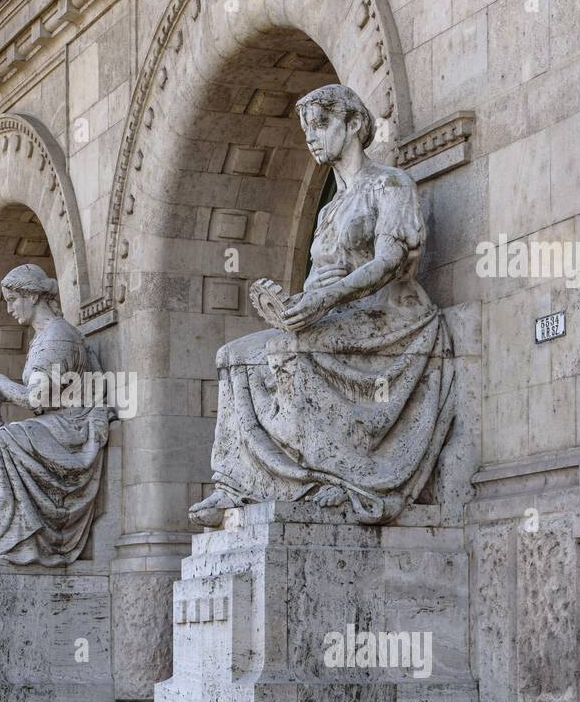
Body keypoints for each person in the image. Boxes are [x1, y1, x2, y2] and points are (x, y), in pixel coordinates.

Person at [190, 83, 454, 527]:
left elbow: (391, 262)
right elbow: (320, 282)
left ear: (353, 124)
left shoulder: (390, 185)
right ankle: (235, 484)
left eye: (320, 124)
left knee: (289, 352)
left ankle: (323, 479)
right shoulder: (330, 210)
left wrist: (329, 296)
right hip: (342, 317)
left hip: (393, 319)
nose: (311, 136)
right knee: (232, 357)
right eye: (307, 128)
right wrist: (294, 305)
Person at [0, 264, 111, 570]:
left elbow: (35, 398)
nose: (9, 309)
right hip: (53, 424)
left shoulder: (59, 336)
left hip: (72, 429)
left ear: (32, 296)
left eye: (13, 300)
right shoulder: (42, 339)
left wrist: (1, 382)